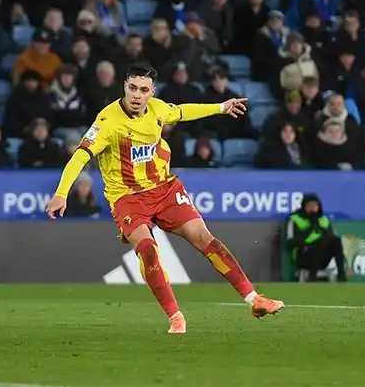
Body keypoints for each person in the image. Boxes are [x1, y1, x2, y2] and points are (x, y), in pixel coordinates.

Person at [45, 64, 284, 334]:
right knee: (148, 248)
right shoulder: (107, 122)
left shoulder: (158, 108)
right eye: (132, 88)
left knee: (206, 239)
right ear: (124, 87)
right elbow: (80, 156)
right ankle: (175, 317)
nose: (137, 95)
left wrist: (220, 107)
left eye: (143, 90)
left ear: (152, 92)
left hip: (164, 189)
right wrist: (61, 193)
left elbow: (182, 112)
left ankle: (254, 299)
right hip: (127, 197)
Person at [285, 193, 346, 282]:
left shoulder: (324, 220)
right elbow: (290, 243)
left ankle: (341, 276)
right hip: (304, 255)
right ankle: (312, 276)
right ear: (304, 207)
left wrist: (319, 227)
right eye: (309, 206)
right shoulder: (295, 219)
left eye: (314, 206)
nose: (312, 208)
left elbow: (332, 238)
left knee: (335, 241)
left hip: (323, 258)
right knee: (321, 241)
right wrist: (310, 228)